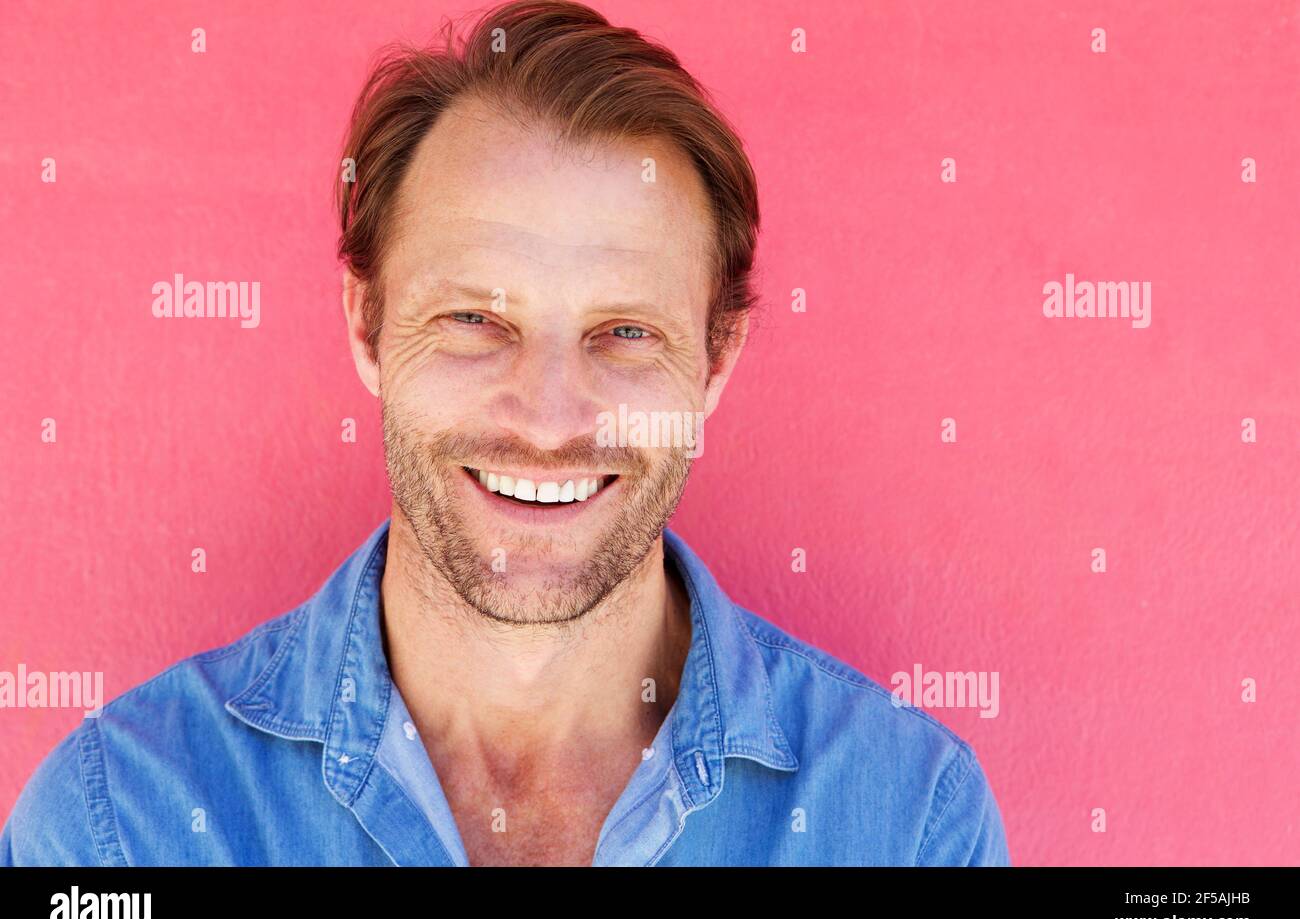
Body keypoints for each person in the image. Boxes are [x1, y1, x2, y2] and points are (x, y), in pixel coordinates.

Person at [1, 0, 1009, 866]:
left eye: (624, 332)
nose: (549, 419)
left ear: (713, 365)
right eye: (476, 321)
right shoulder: (118, 825)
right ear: (366, 326)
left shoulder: (906, 819)